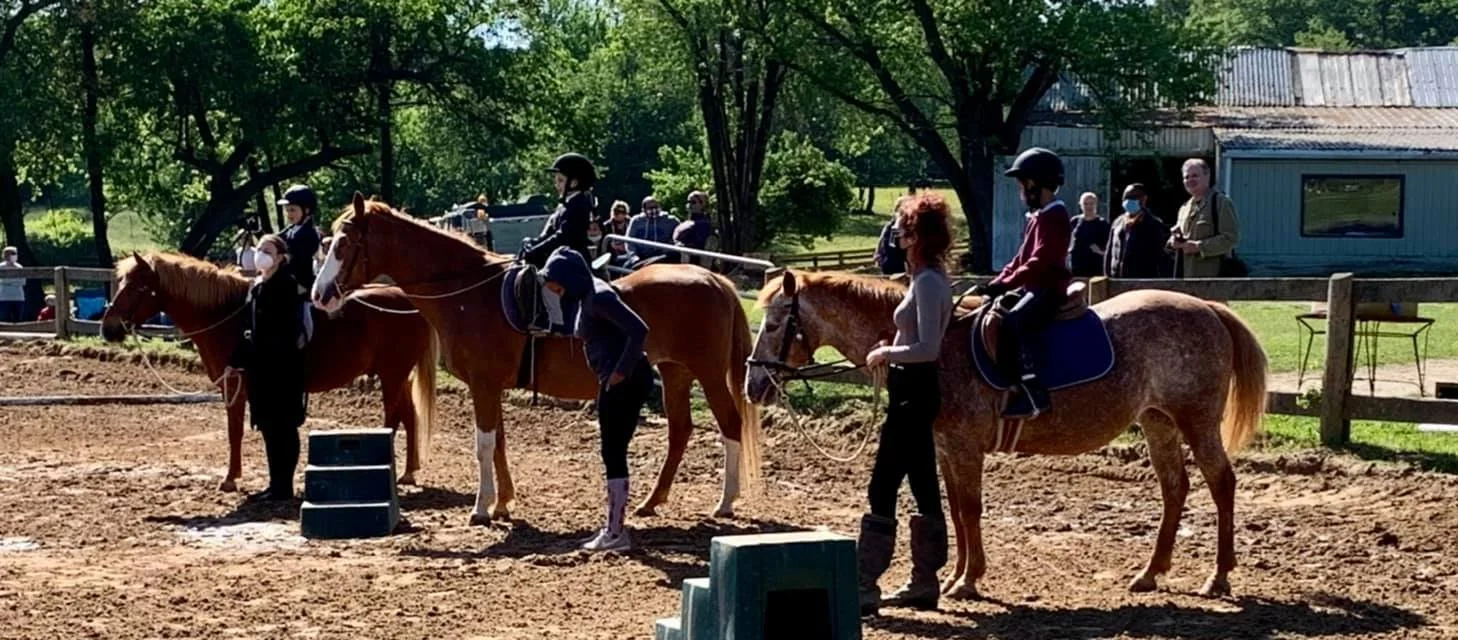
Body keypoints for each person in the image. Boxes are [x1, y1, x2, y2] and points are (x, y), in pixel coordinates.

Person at [857, 193, 954, 616]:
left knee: (882, 486)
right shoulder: (922, 278)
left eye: (902, 225)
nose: (896, 231)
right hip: (910, 390)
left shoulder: (930, 282)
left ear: (918, 234)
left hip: (915, 392)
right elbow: (914, 338)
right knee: (922, 485)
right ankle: (924, 581)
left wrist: (886, 355)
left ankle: (865, 585)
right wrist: (893, 348)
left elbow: (929, 347)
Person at [539, 246, 653, 552]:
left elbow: (639, 330)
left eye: (554, 280)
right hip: (615, 380)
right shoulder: (583, 296)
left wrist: (619, 372)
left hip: (623, 381)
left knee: (613, 452)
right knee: (612, 451)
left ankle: (616, 532)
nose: (551, 287)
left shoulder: (599, 297)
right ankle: (614, 528)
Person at [970, 147, 1072, 419]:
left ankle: (1034, 392)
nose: (1020, 192)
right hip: (1032, 287)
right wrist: (995, 283)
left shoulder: (1055, 216)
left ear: (1035, 184)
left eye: (1022, 185)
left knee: (1015, 322)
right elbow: (1019, 259)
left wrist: (1006, 285)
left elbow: (1039, 261)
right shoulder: (1039, 216)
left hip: (1048, 289)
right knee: (994, 313)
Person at [224, 235, 309, 502]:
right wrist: (235, 360)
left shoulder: (285, 285)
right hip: (262, 369)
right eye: (260, 249)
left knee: (283, 426)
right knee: (271, 428)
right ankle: (276, 484)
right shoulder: (258, 287)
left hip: (282, 367)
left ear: (281, 257)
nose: (261, 254)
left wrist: (253, 354)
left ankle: (283, 486)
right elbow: (249, 329)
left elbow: (279, 330)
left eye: (268, 250)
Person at [522, 153, 597, 268]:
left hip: (571, 262)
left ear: (574, 183)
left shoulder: (579, 205)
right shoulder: (565, 204)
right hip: (557, 257)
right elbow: (550, 233)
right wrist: (533, 243)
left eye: (560, 180)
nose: (556, 185)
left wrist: (537, 250)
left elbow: (563, 236)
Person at [1169, 158, 1240, 279]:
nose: (1190, 180)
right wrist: (1173, 241)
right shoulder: (1184, 208)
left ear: (1207, 176)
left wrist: (1199, 246)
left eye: (1195, 176)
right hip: (1185, 276)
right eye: (1186, 177)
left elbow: (1231, 238)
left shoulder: (1221, 202)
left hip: (1212, 278)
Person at [277, 185, 322, 343]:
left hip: (301, 282)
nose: (289, 214)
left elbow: (296, 257)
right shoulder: (291, 230)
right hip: (288, 278)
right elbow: (274, 241)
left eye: (293, 210)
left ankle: (296, 341)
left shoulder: (310, 234)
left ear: (307, 211)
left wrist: (282, 257)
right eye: (287, 210)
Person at [1105, 183, 1171, 279]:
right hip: (1116, 280)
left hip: (1141, 282)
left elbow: (1161, 258)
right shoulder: (1117, 222)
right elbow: (1109, 252)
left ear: (1144, 199)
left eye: (1132, 197)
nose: (1128, 201)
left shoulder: (1154, 225)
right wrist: (1107, 277)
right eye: (1125, 197)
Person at [625, 196, 680, 262]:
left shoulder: (671, 221)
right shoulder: (636, 221)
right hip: (641, 258)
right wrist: (633, 257)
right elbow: (629, 241)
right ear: (643, 210)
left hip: (664, 257)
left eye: (656, 207)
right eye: (650, 208)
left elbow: (678, 239)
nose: (654, 210)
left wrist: (669, 250)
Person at [1069, 192, 1109, 278]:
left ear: (1096, 205)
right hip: (1076, 268)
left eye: (1091, 203)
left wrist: (1100, 251)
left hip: (1095, 268)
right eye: (1085, 204)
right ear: (1081, 205)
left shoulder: (1103, 224)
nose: (1088, 207)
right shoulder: (1074, 221)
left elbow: (1110, 249)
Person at [874, 196, 912, 275]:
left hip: (903, 267)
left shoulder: (908, 228)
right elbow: (886, 244)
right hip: (889, 266)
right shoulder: (889, 227)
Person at [0, 246, 23, 323]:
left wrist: (7, 282)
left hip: (18, 297)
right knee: (4, 320)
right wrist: (13, 282)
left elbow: (22, 282)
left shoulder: (19, 267)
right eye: (12, 253)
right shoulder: (1, 267)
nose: (14, 255)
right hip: (4, 297)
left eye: (15, 253)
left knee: (18, 319)